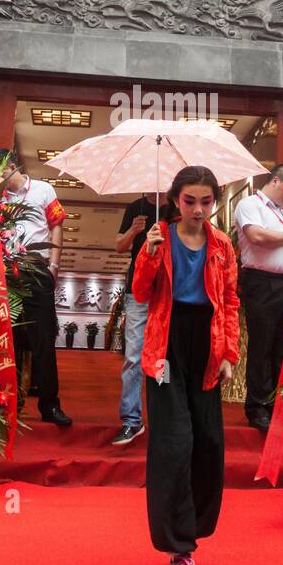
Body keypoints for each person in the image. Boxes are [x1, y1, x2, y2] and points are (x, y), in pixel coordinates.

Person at [132, 166, 239, 565]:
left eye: (206, 201)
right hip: (166, 345)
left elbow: (230, 299)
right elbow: (141, 292)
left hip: (208, 346)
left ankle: (194, 527)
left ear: (215, 201)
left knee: (208, 444)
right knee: (174, 445)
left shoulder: (223, 245)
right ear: (176, 199)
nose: (198, 209)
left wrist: (229, 352)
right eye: (189, 200)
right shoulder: (159, 236)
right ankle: (180, 552)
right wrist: (149, 253)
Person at [0, 154, 72, 427]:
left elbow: (57, 225)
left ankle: (49, 404)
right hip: (6, 272)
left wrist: (54, 265)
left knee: (43, 336)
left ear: (12, 167)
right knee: (9, 337)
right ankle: (9, 403)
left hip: (37, 267)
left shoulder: (43, 189)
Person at [232, 165, 283, 431]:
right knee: (262, 346)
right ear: (275, 180)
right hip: (263, 283)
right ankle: (257, 407)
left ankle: (278, 405)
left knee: (282, 348)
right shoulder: (249, 204)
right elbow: (257, 236)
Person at [110, 192, 163, 447]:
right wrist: (134, 230)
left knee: (165, 357)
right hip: (137, 290)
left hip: (169, 291)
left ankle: (166, 416)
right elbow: (119, 246)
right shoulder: (135, 208)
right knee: (133, 355)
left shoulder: (176, 208)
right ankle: (132, 419)